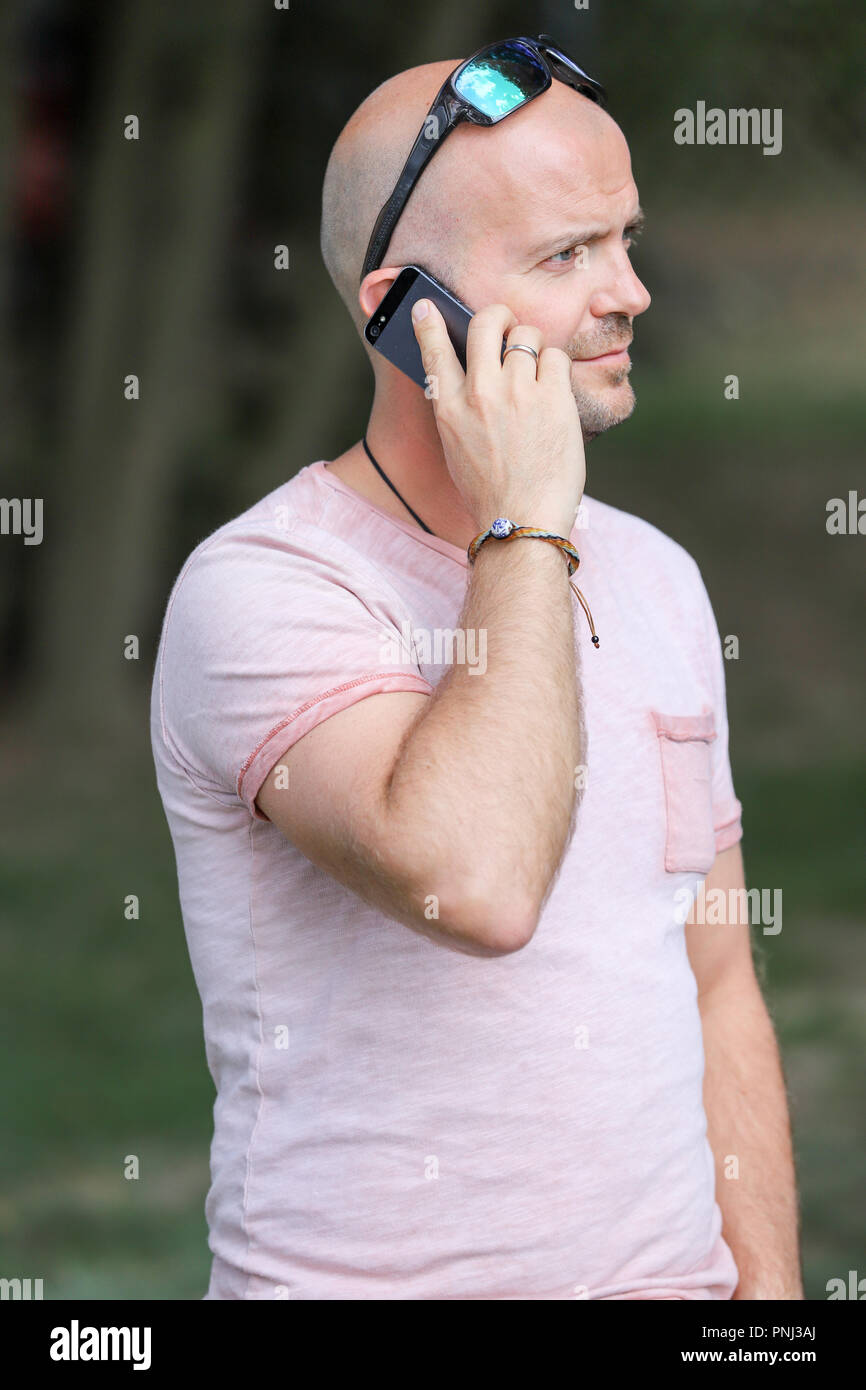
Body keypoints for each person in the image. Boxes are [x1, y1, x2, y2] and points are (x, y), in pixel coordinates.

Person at [151, 37, 803, 1299]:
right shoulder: (264, 590)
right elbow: (480, 884)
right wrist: (527, 531)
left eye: (623, 239)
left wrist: (767, 1300)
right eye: (566, 256)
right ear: (405, 312)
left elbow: (714, 973)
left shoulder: (657, 575)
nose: (629, 294)